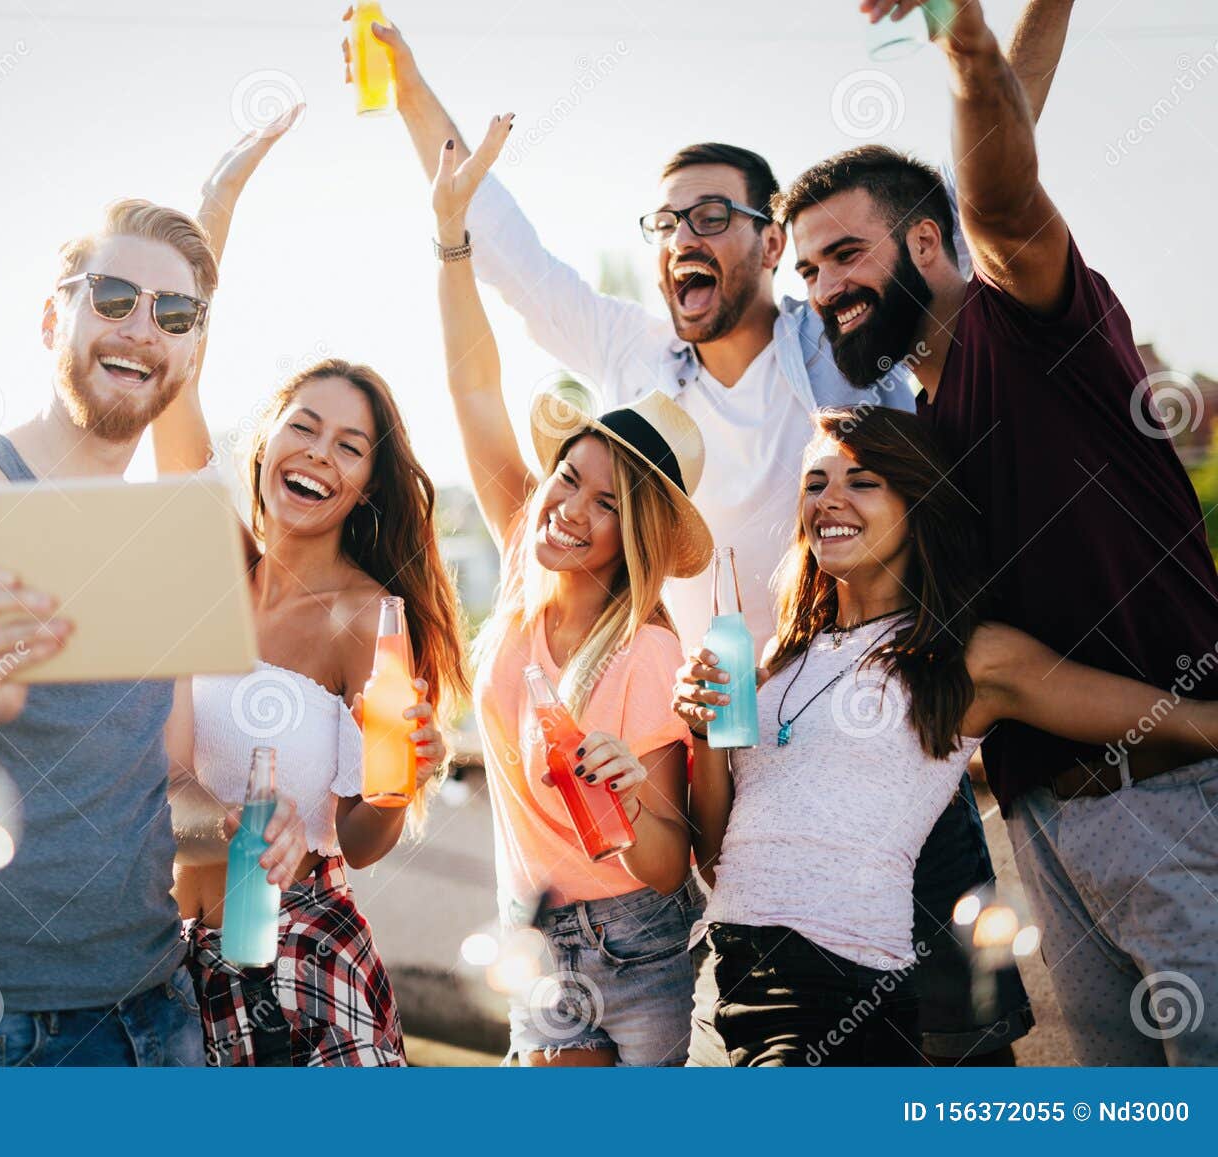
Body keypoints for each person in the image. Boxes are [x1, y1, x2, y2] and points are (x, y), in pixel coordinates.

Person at [367, 1, 1075, 1067]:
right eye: (663, 224)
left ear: (767, 238)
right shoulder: (633, 359)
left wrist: (1000, 36)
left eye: (709, 217)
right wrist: (410, 85)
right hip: (730, 771)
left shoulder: (831, 345)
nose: (679, 241)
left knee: (955, 1051)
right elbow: (502, 246)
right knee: (780, 1051)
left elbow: (967, 201)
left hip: (882, 744)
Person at [781, 0, 1218, 1065]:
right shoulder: (919, 435)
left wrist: (967, 44)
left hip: (1176, 797)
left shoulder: (1024, 325)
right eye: (808, 271)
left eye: (844, 254)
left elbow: (999, 189)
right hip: (1045, 831)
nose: (826, 287)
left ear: (928, 242)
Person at [0, 197, 308, 1066]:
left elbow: (158, 785)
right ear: (53, 318)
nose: (141, 328)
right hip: (0, 1028)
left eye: (173, 313)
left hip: (157, 1005)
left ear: (191, 352)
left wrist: (231, 824)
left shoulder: (163, 536)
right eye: (112, 297)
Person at [679, 406, 1218, 1066]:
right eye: (815, 483)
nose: (831, 500)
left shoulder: (964, 658)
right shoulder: (774, 661)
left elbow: (1163, 716)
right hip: (726, 984)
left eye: (863, 480)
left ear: (917, 501)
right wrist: (705, 735)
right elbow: (714, 858)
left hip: (836, 988)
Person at [153, 115, 466, 1067]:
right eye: (305, 425)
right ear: (267, 440)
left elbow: (365, 839)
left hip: (304, 958)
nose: (320, 454)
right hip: (170, 964)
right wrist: (215, 209)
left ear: (366, 484)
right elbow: (172, 379)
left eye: (350, 445)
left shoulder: (369, 620)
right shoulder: (210, 561)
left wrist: (404, 777)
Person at [433, 112, 709, 1066]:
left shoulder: (647, 650)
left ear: (634, 536)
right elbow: (473, 390)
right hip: (535, 930)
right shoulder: (521, 572)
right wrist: (450, 242)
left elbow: (669, 858)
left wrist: (629, 795)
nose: (569, 509)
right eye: (568, 479)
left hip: (632, 937)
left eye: (607, 503)